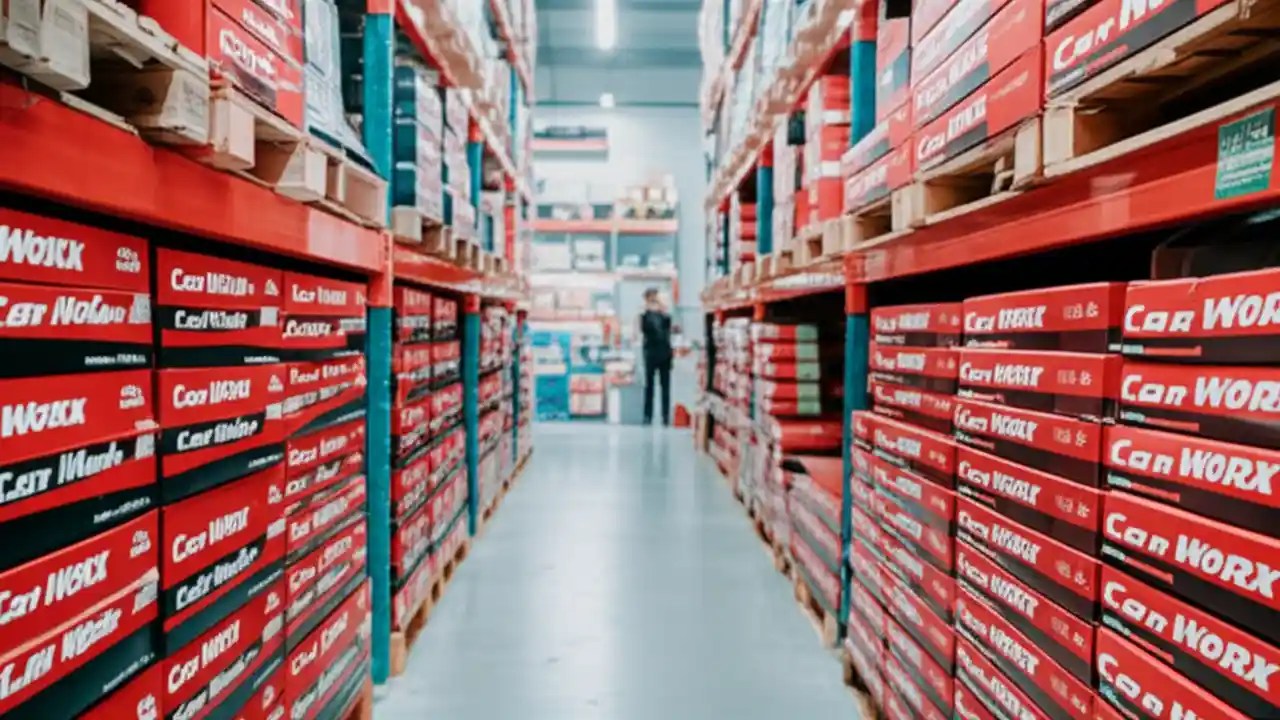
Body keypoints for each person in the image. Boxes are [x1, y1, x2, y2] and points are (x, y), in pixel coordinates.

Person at [637, 288, 674, 426]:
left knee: (664, 386)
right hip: (652, 353)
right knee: (650, 386)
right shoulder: (645, 315)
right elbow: (645, 329)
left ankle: (664, 416)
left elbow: (668, 326)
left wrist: (661, 309)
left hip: (661, 353)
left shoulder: (664, 315)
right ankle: (649, 415)